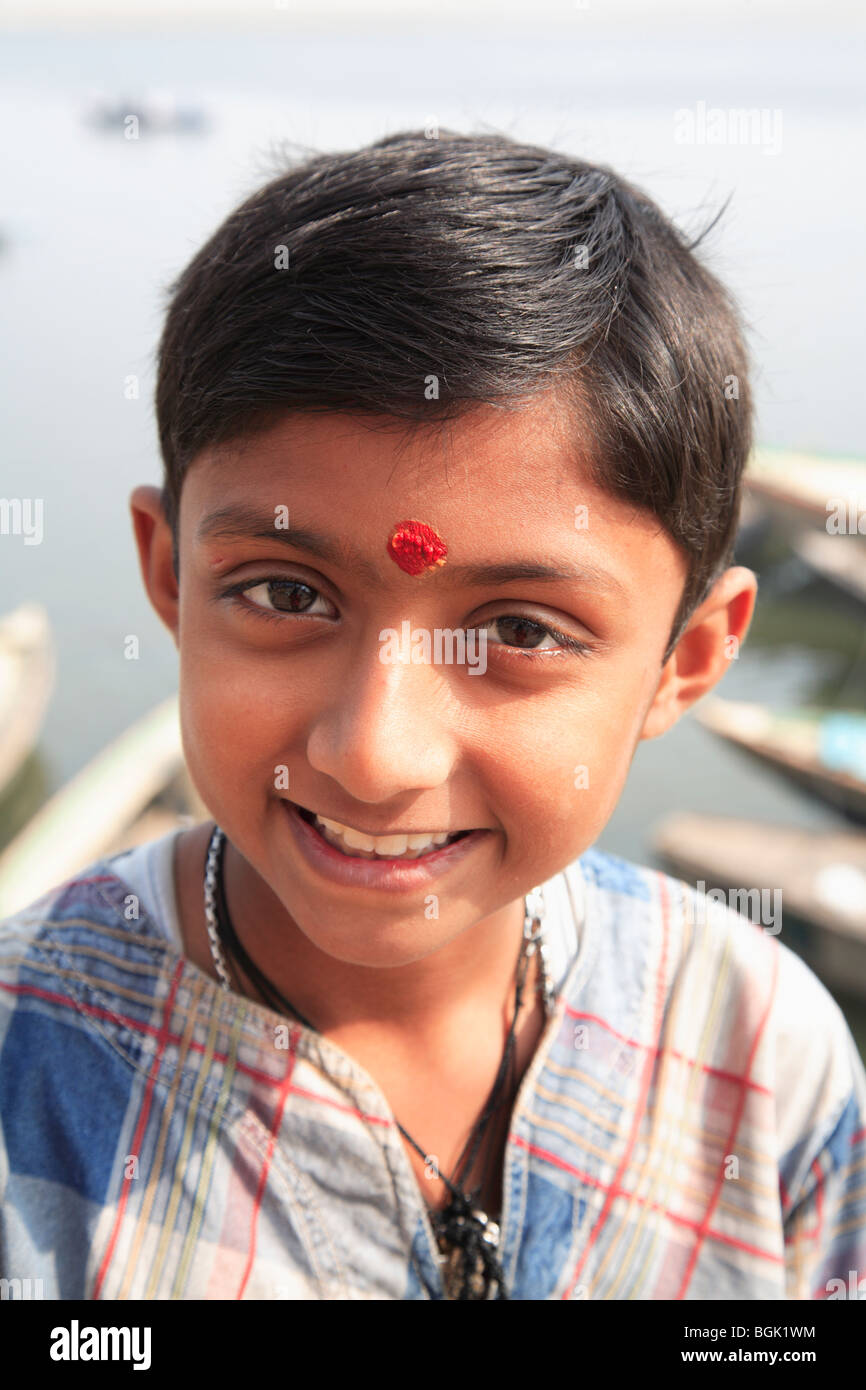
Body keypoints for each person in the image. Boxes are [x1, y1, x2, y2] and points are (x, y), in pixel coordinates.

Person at [1, 129, 864, 1302]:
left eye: (518, 631)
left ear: (687, 657)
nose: (373, 751)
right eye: (285, 593)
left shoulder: (755, 1051)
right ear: (167, 577)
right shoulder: (23, 1092)